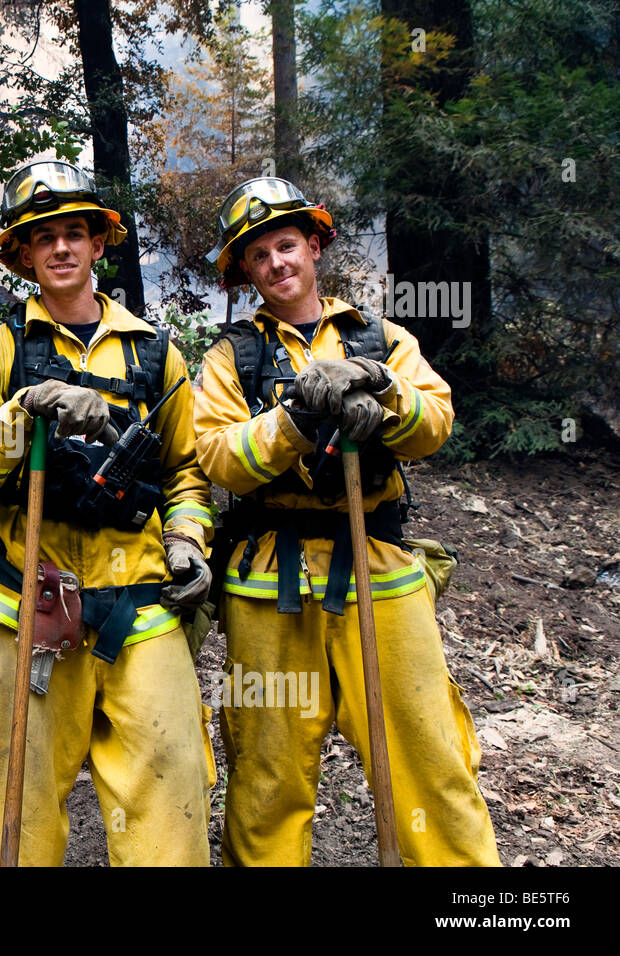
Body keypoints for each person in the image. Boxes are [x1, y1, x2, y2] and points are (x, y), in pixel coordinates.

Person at [194, 176, 500, 866]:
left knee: (426, 755)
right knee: (268, 770)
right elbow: (217, 457)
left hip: (380, 571)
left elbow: (437, 422)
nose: (277, 263)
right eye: (259, 255)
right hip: (268, 584)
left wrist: (387, 393)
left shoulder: (380, 336)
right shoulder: (230, 358)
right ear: (244, 271)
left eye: (287, 245)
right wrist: (294, 421)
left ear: (314, 247)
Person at [0, 160, 216, 866]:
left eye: (75, 233)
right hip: (30, 612)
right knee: (18, 819)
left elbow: (188, 471)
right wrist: (21, 412)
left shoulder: (158, 355)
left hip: (142, 615)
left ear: (98, 245)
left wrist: (186, 538)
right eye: (43, 237)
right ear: (23, 256)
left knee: (170, 809)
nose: (60, 247)